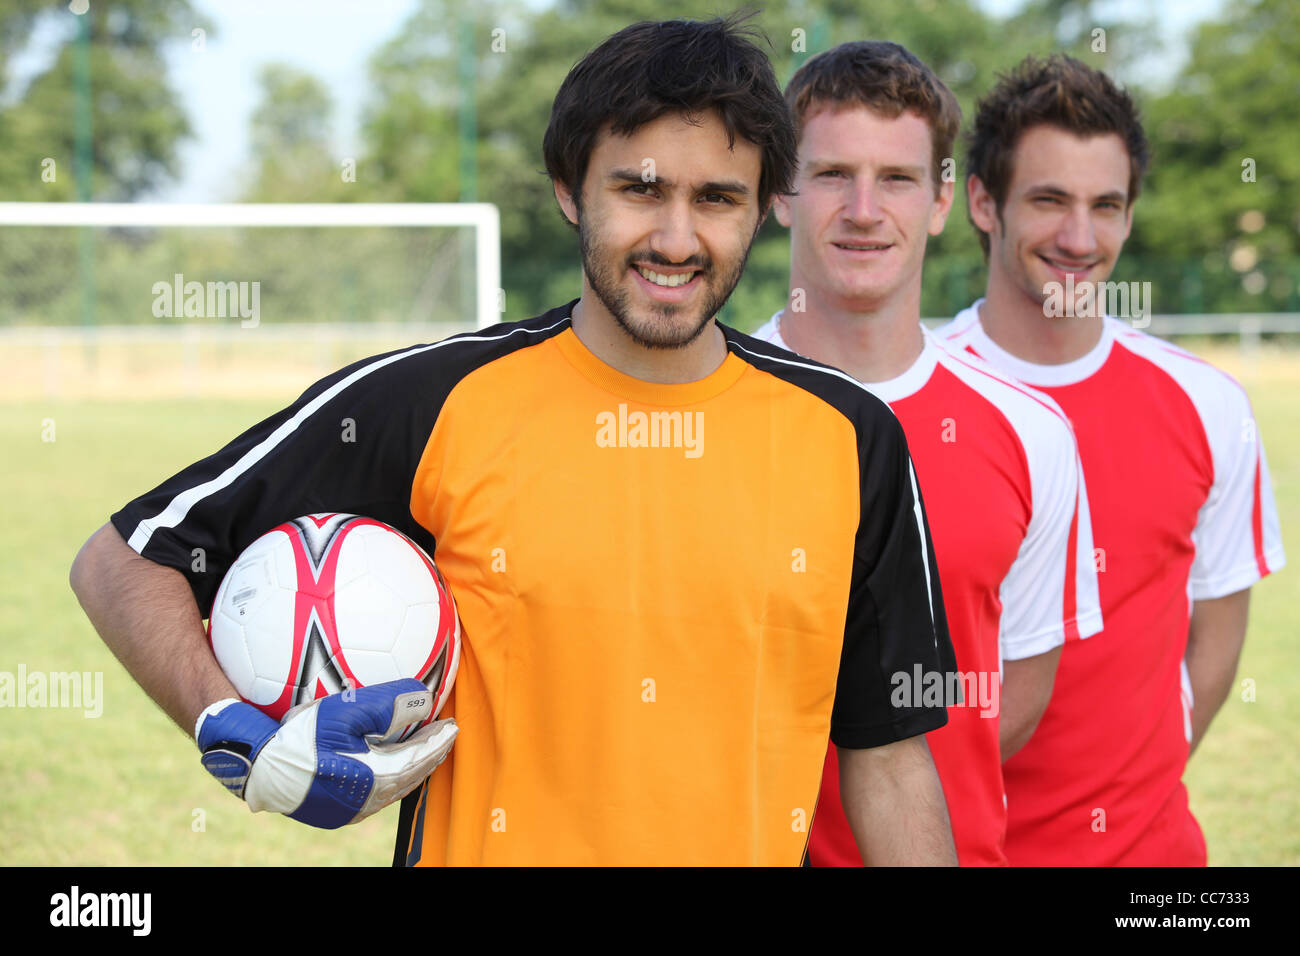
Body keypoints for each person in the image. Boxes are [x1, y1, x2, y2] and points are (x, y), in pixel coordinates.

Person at [69, 16, 959, 867]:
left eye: (716, 198)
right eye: (640, 188)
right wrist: (234, 733)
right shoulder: (431, 400)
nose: (677, 237)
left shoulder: (852, 436)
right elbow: (123, 563)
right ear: (570, 189)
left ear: (765, 206)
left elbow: (887, 758)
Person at [753, 41, 1101, 866]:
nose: (865, 210)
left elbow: (1013, 691)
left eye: (899, 179)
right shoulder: (706, 413)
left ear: (945, 199)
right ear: (780, 193)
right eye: (833, 174)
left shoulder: (1031, 429)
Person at [935, 54, 1286, 865]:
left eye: (1106, 206)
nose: (1079, 238)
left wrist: (1137, 787)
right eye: (1049, 201)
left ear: (1130, 218)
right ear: (985, 203)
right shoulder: (911, 403)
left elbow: (1219, 625)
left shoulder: (1208, 404)